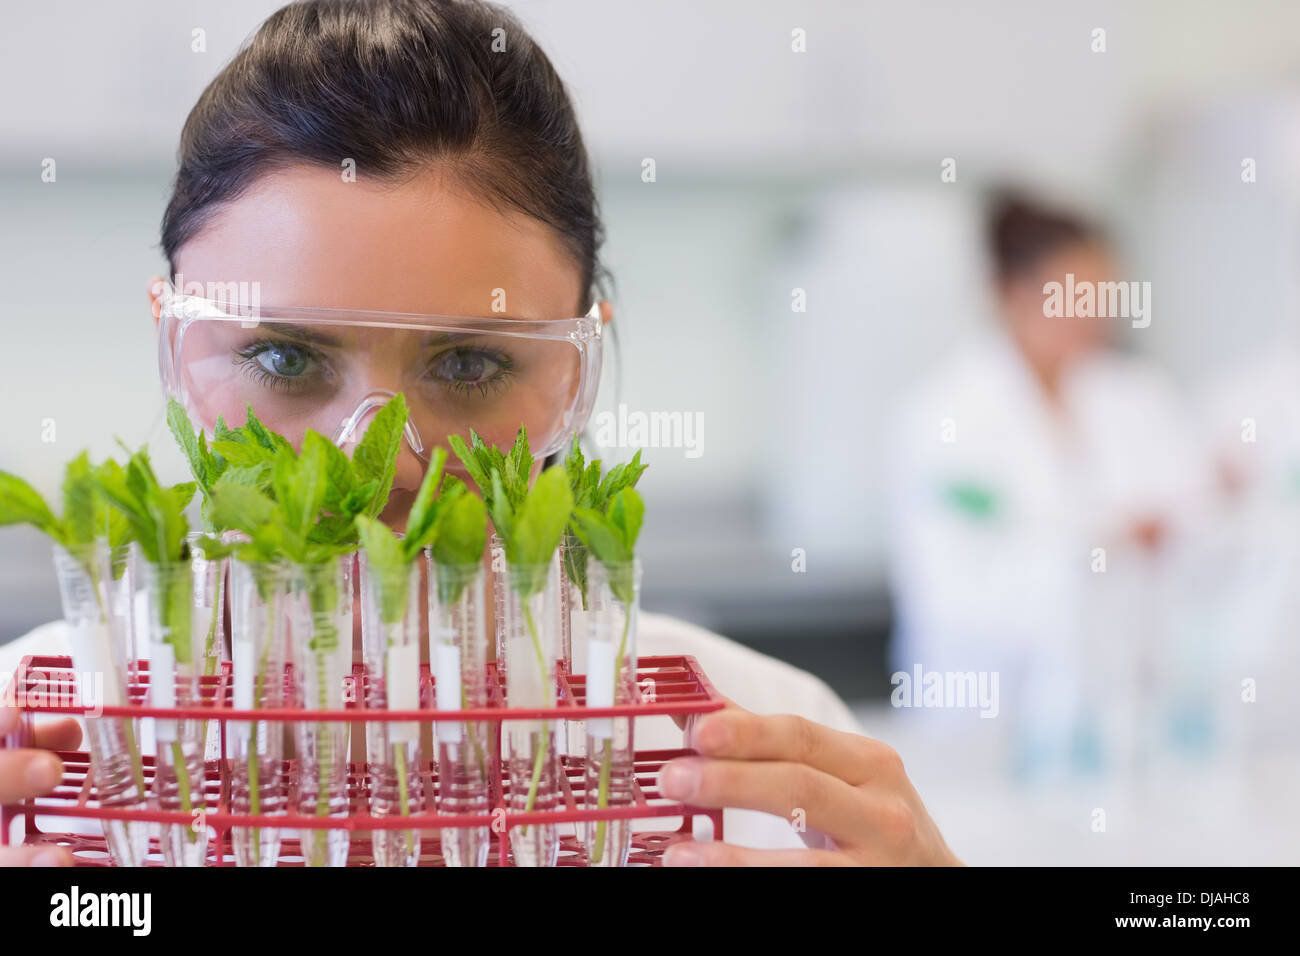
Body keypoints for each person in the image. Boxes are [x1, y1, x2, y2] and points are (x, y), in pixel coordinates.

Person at [0, 0, 959, 867]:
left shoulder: (768, 764)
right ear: (174, 342)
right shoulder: (33, 757)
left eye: (467, 365)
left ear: (579, 368)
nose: (373, 471)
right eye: (284, 359)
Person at [886, 193, 1209, 778]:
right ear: (1012, 294)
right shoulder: (946, 417)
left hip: (1125, 723)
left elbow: (1201, 526)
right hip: (984, 733)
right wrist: (1101, 549)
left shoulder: (1137, 397)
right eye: (1073, 293)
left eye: (1104, 292)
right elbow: (954, 593)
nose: (1094, 313)